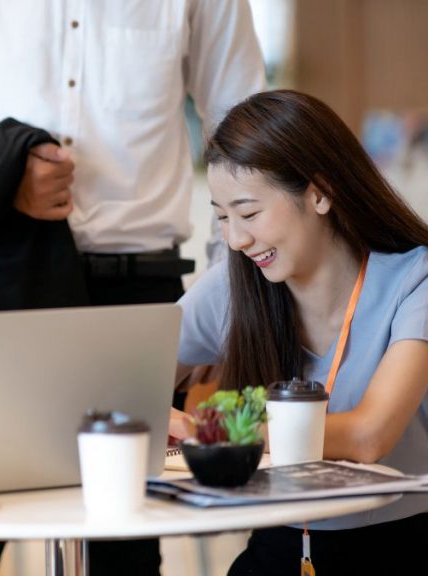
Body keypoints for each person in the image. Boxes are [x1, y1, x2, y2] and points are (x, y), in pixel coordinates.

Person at [0, 1, 266, 573]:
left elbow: (240, 124)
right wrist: (3, 173)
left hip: (137, 286)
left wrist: (226, 296)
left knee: (127, 539)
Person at [173, 89, 428, 574]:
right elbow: (127, 372)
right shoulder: (235, 283)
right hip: (278, 545)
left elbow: (369, 435)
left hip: (399, 549)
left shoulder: (416, 279)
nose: (235, 239)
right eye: (222, 217)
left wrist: (209, 430)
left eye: (248, 214)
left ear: (319, 192)